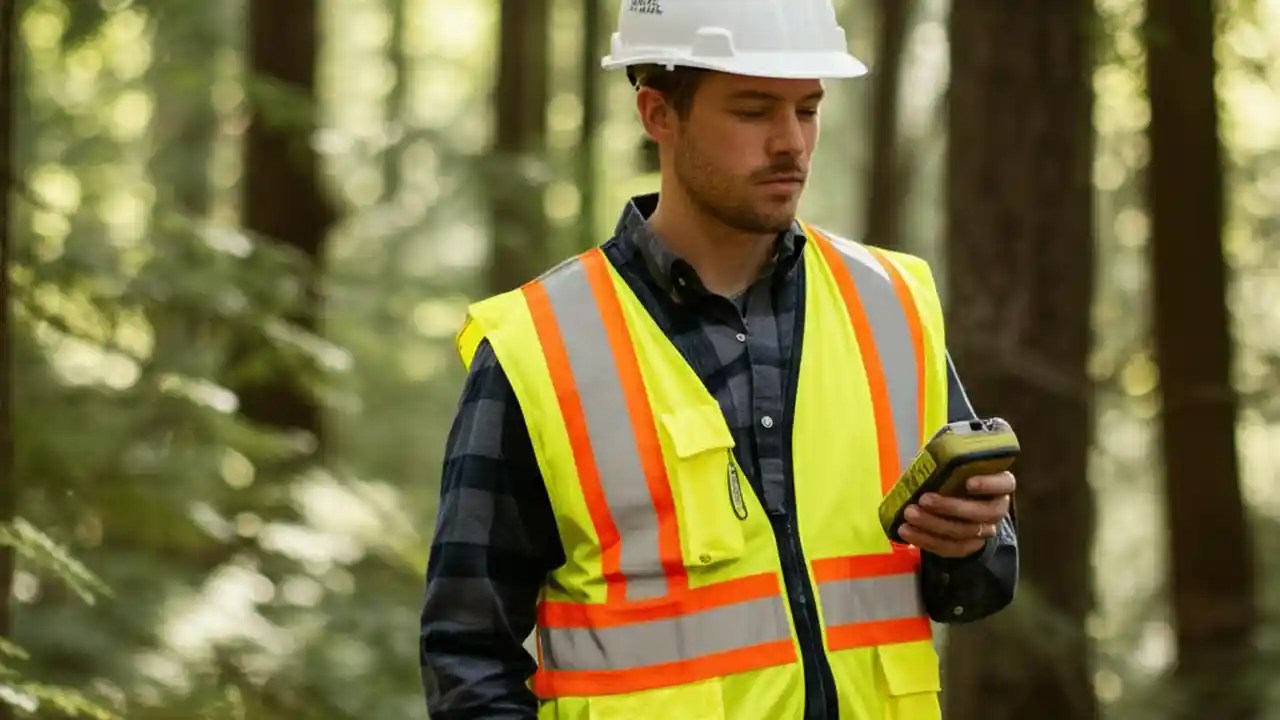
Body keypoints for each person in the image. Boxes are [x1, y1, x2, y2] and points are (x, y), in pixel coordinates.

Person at [420, 1, 1018, 718]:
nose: (791, 143)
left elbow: (977, 587)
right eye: (753, 110)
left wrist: (964, 543)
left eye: (807, 109)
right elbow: (467, 651)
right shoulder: (537, 346)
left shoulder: (889, 304)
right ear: (658, 114)